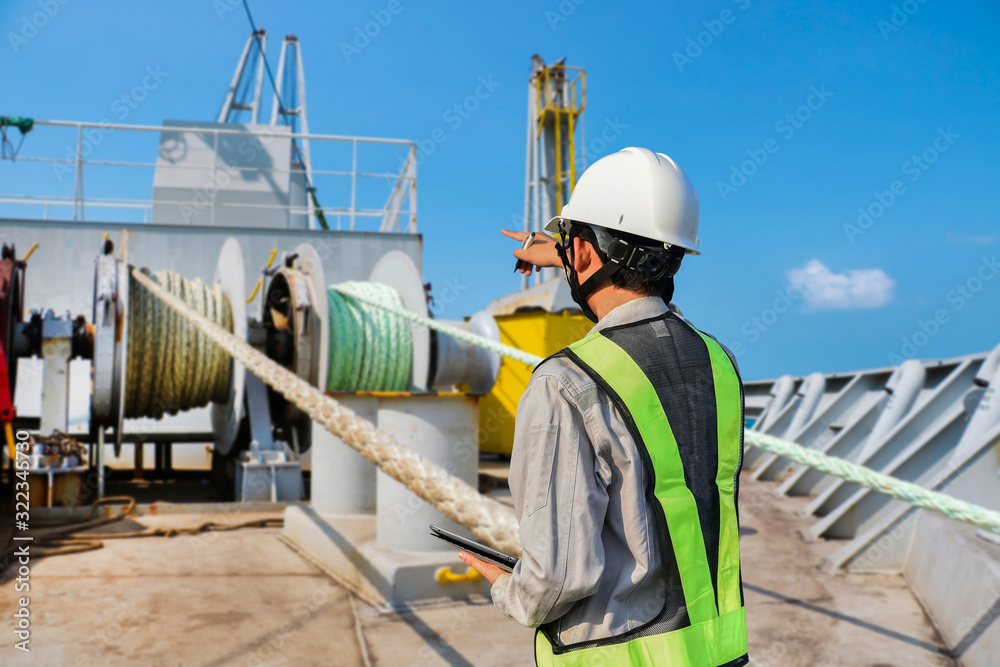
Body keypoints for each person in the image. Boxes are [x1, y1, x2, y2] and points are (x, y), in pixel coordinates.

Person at [459, 147, 749, 666]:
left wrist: (509, 589)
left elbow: (556, 578)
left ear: (586, 256)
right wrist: (577, 250)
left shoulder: (565, 383)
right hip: (716, 651)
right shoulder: (719, 363)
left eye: (573, 244)